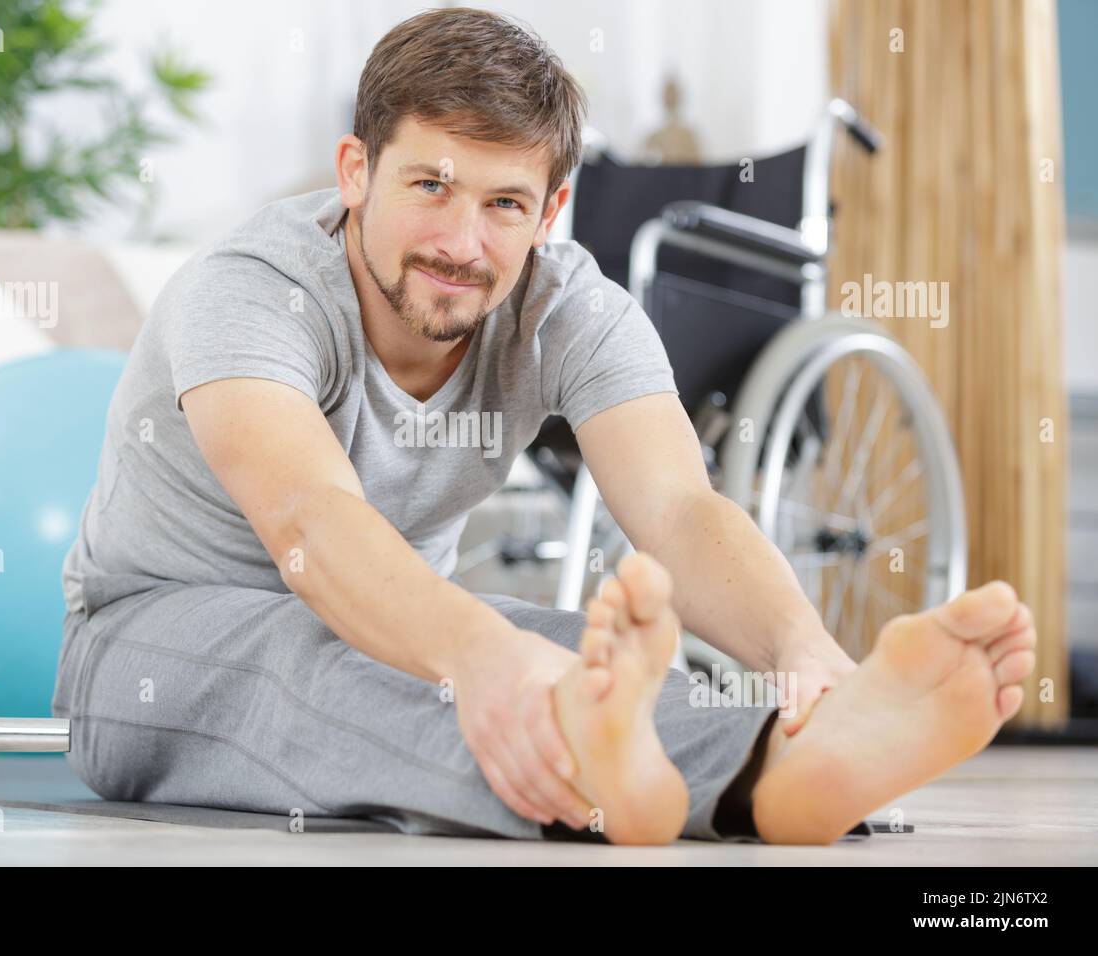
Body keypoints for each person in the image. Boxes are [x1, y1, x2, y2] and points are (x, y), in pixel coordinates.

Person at [51, 7, 1036, 846]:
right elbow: (309, 520)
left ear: (551, 208)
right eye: (429, 186)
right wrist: (479, 657)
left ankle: (785, 763)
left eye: (504, 203)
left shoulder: (569, 306)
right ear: (357, 171)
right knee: (386, 653)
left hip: (394, 620)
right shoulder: (253, 288)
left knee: (561, 644)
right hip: (148, 639)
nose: (461, 242)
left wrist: (799, 649)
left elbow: (682, 511)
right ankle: (615, 781)